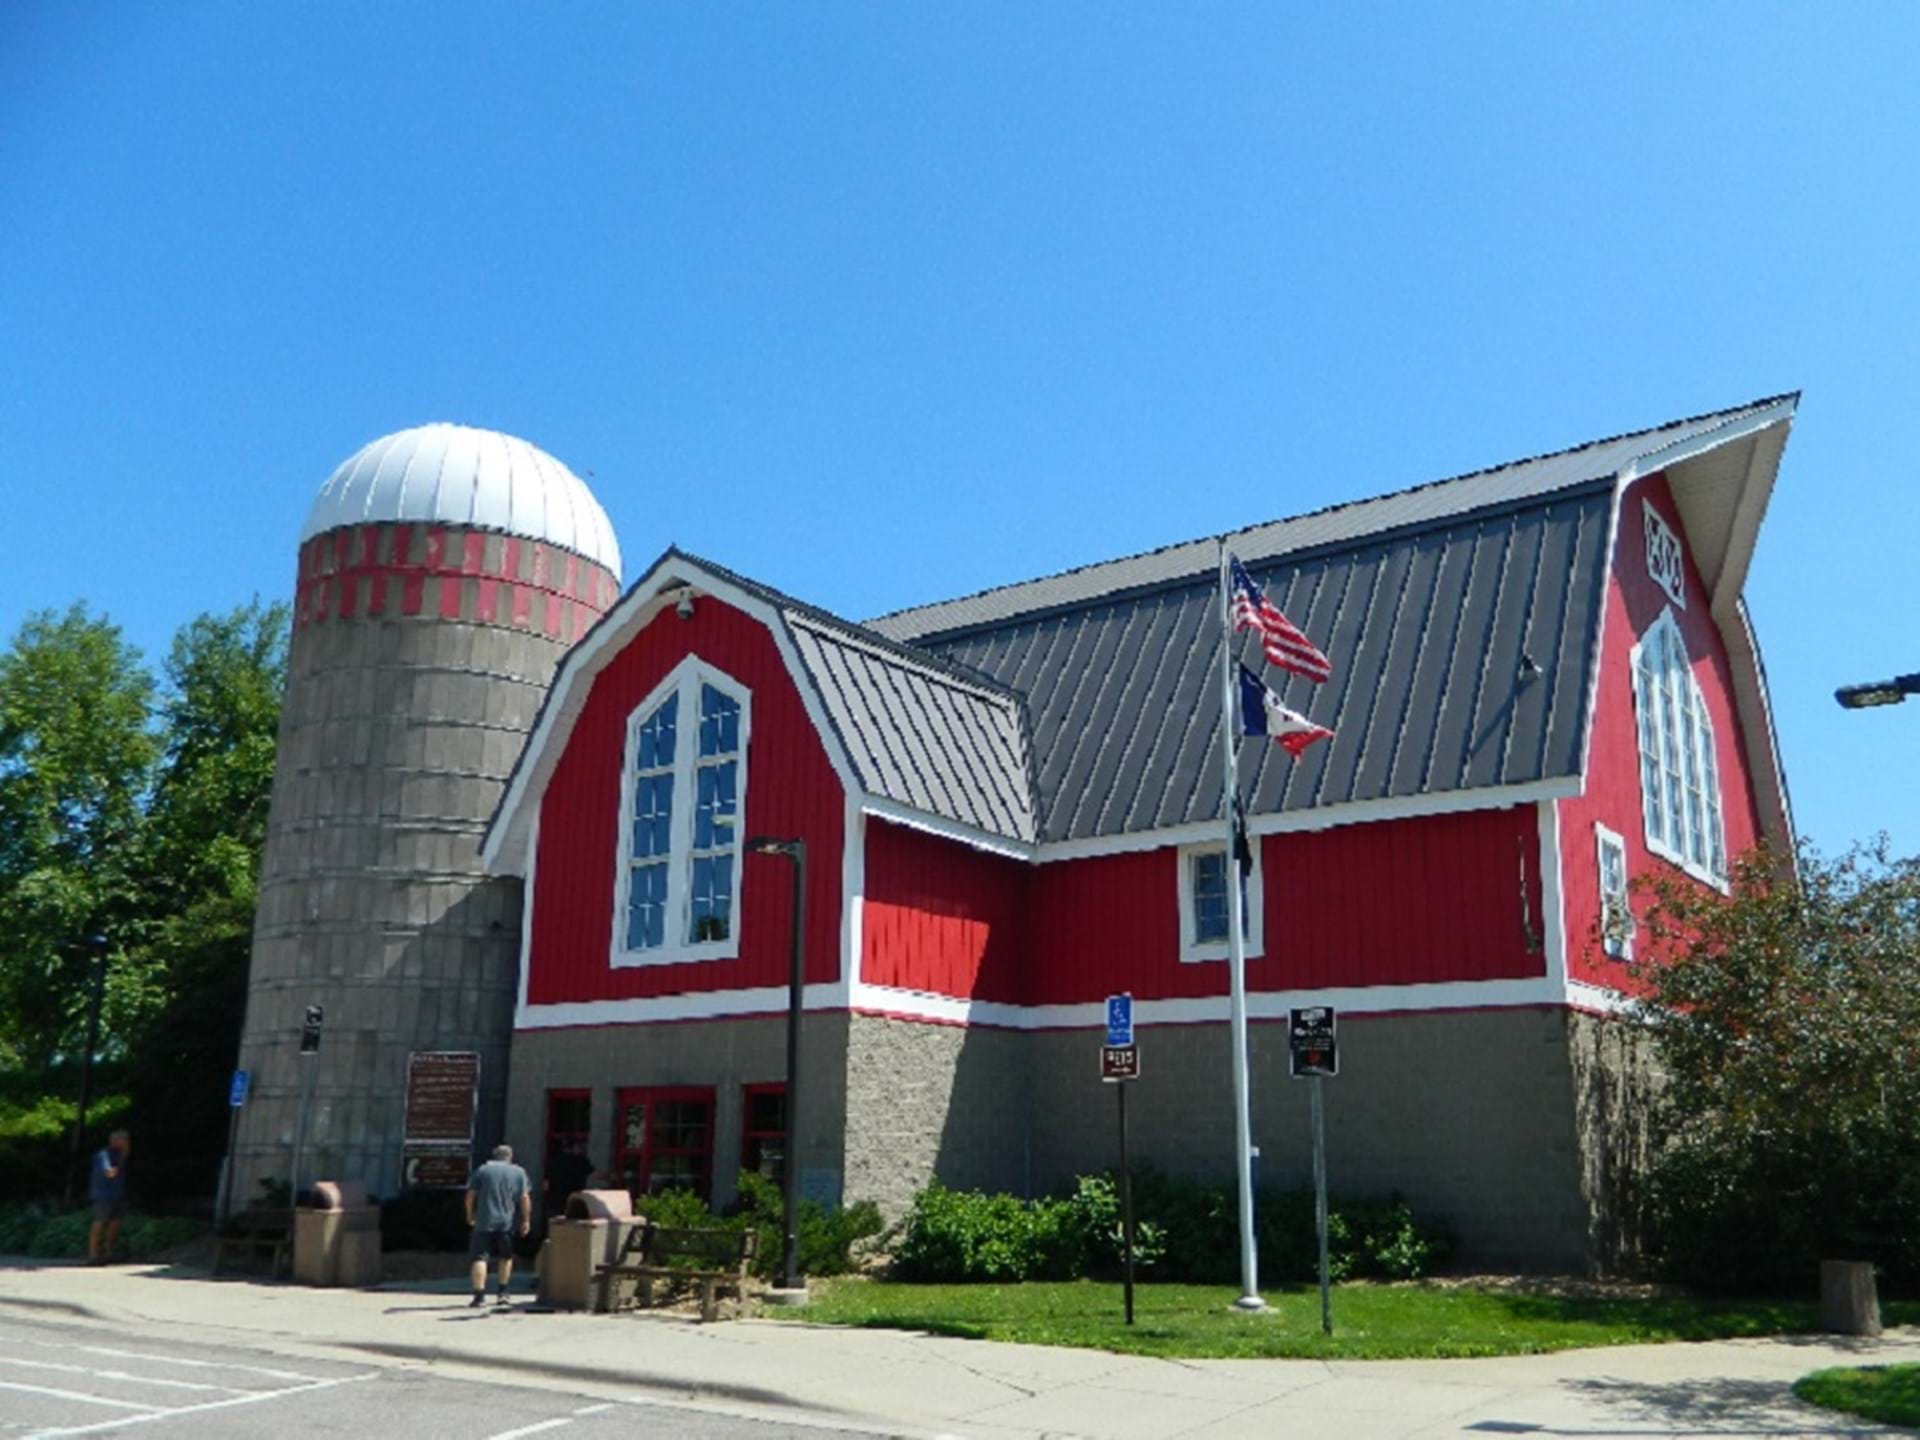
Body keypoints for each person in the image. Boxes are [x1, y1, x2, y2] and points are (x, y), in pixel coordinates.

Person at [464, 1143, 531, 1307]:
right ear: (510, 1157)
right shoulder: (519, 1172)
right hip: (506, 1222)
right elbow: (524, 1198)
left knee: (479, 1258)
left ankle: (479, 1295)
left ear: (494, 1156)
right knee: (506, 1257)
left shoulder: (483, 1170)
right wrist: (526, 1219)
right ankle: (502, 1292)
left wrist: (470, 1214)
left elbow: (470, 1195)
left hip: (484, 1221)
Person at [87, 1130, 131, 1265]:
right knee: (99, 1222)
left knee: (115, 1223)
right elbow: (109, 1173)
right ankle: (93, 1254)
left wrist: (124, 1155)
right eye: (123, 1140)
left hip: (116, 1194)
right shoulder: (103, 1154)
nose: (126, 1143)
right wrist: (117, 1166)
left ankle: (108, 1252)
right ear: (115, 1140)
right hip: (103, 1194)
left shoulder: (120, 1155)